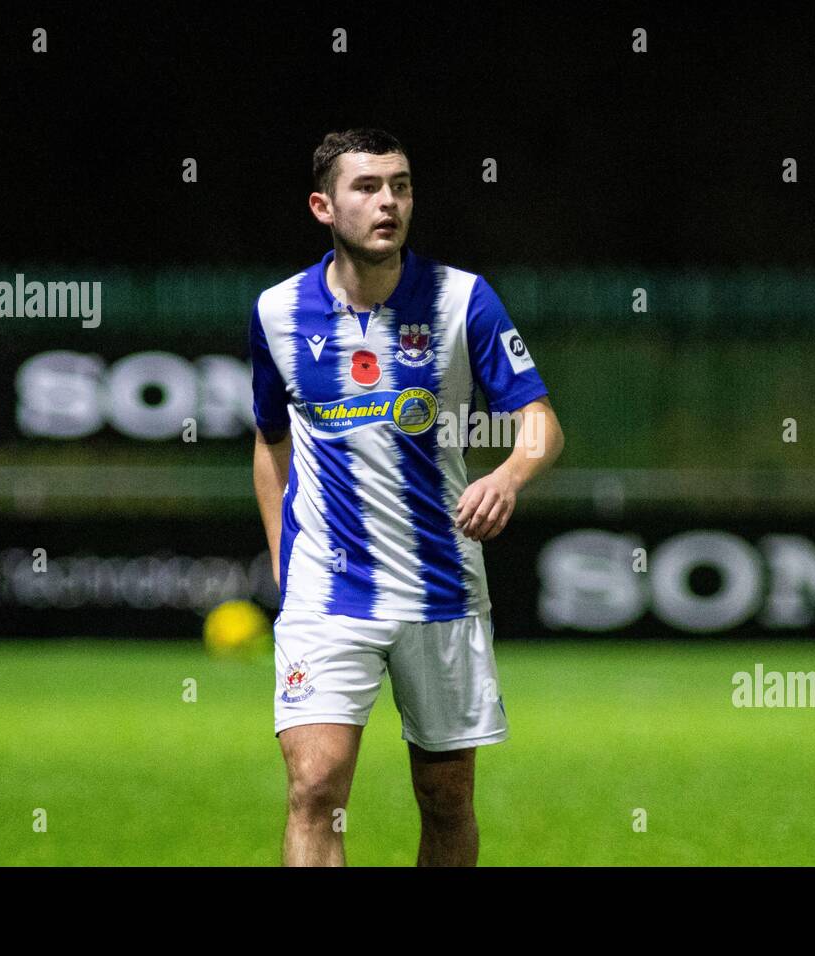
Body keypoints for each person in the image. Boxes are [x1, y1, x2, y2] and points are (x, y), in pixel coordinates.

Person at [250, 128, 565, 866]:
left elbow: (542, 424)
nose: (388, 201)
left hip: (441, 588)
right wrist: (282, 560)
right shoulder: (276, 312)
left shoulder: (463, 300)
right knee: (315, 789)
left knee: (447, 798)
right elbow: (269, 440)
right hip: (327, 593)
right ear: (323, 206)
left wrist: (509, 474)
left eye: (401, 184)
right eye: (367, 187)